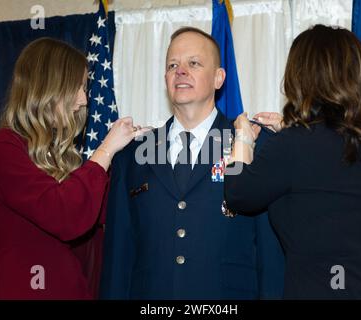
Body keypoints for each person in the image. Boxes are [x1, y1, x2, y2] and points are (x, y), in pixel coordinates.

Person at [99, 27, 285, 299]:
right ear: (165, 77)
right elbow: (118, 259)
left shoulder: (255, 144)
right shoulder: (131, 155)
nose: (180, 71)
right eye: (172, 65)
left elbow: (271, 255)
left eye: (194, 63)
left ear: (218, 78)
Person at [224, 25, 361, 299]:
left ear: (302, 76)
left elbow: (237, 193)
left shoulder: (294, 145)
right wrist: (292, 134)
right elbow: (329, 171)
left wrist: (243, 140)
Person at [0, 37, 145, 299]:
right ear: (48, 87)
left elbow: (108, 213)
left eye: (85, 88)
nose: (83, 100)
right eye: (77, 87)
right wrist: (105, 150)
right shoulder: (1, 147)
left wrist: (135, 157)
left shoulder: (64, 159)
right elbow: (64, 216)